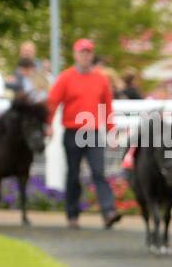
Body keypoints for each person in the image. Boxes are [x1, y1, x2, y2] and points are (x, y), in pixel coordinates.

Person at [46, 39, 121, 229]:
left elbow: (107, 107)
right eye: (82, 52)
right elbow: (53, 102)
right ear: (75, 54)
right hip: (73, 131)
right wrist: (48, 124)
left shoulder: (101, 79)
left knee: (99, 172)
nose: (85, 56)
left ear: (92, 55)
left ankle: (108, 211)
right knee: (73, 174)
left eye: (88, 53)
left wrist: (112, 132)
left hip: (93, 132)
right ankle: (72, 213)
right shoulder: (65, 78)